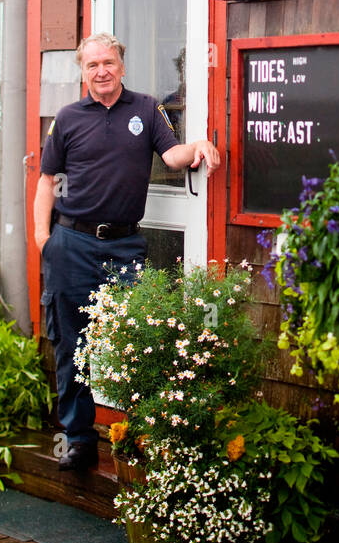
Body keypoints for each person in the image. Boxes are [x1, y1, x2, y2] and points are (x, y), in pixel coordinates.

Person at [34, 32, 220, 471]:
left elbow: (173, 155)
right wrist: (43, 239)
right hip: (72, 243)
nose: (101, 71)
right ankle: (79, 439)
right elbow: (46, 181)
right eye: (92, 64)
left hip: (124, 244)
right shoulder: (67, 118)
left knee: (139, 338)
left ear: (122, 65)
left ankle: (138, 434)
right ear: (84, 71)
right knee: (72, 345)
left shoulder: (146, 109)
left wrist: (197, 146)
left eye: (109, 63)